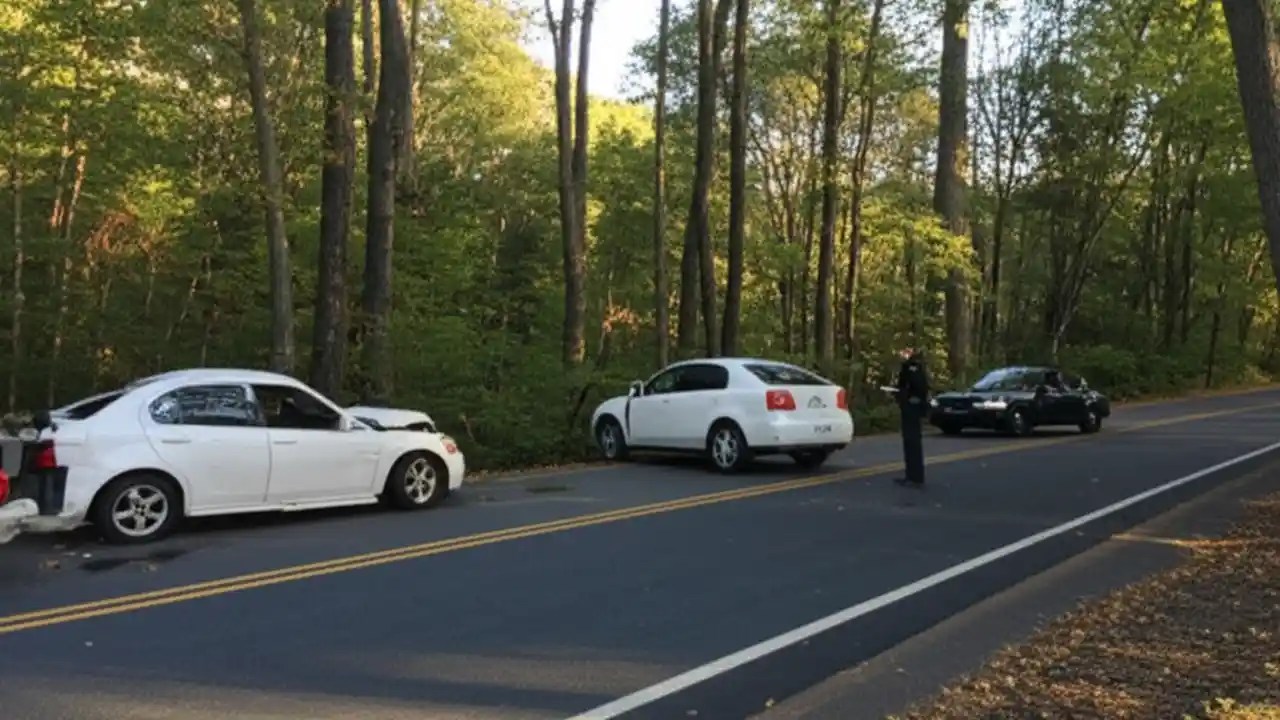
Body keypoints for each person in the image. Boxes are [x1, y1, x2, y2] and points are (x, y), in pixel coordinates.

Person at [893, 347, 929, 487]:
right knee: (909, 442)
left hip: (912, 407)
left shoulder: (913, 368)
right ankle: (911, 475)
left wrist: (905, 396)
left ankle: (915, 476)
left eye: (905, 352)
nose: (902, 354)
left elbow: (918, 387)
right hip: (909, 405)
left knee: (912, 441)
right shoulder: (909, 367)